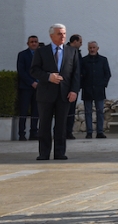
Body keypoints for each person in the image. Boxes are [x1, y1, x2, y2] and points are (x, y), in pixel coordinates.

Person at [30, 24, 80, 160]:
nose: (62, 36)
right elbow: (34, 70)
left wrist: (74, 91)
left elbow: (76, 73)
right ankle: (44, 153)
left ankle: (60, 153)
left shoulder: (72, 51)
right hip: (46, 94)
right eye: (59, 34)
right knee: (45, 124)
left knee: (61, 125)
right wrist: (48, 77)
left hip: (64, 94)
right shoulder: (42, 51)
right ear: (51, 36)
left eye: (64, 33)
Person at [80, 41, 111, 139]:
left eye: (94, 47)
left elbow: (107, 74)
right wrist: (82, 85)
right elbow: (80, 74)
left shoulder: (103, 60)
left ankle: (100, 132)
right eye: (90, 48)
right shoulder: (83, 60)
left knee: (100, 111)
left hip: (99, 89)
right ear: (88, 48)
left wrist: (103, 85)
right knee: (88, 111)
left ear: (97, 48)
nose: (92, 49)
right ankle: (89, 132)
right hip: (87, 89)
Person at [16, 35, 40, 141]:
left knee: (36, 111)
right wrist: (31, 82)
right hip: (26, 87)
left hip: (39, 88)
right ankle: (22, 133)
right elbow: (21, 71)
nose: (34, 43)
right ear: (28, 43)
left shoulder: (41, 55)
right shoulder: (22, 55)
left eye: (35, 42)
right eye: (32, 42)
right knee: (24, 111)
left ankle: (34, 132)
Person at [65, 34, 83, 140]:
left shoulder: (77, 53)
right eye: (80, 42)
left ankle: (68, 131)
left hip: (74, 87)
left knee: (71, 111)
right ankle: (62, 131)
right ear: (75, 41)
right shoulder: (66, 51)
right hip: (66, 85)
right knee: (64, 110)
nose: (81, 44)